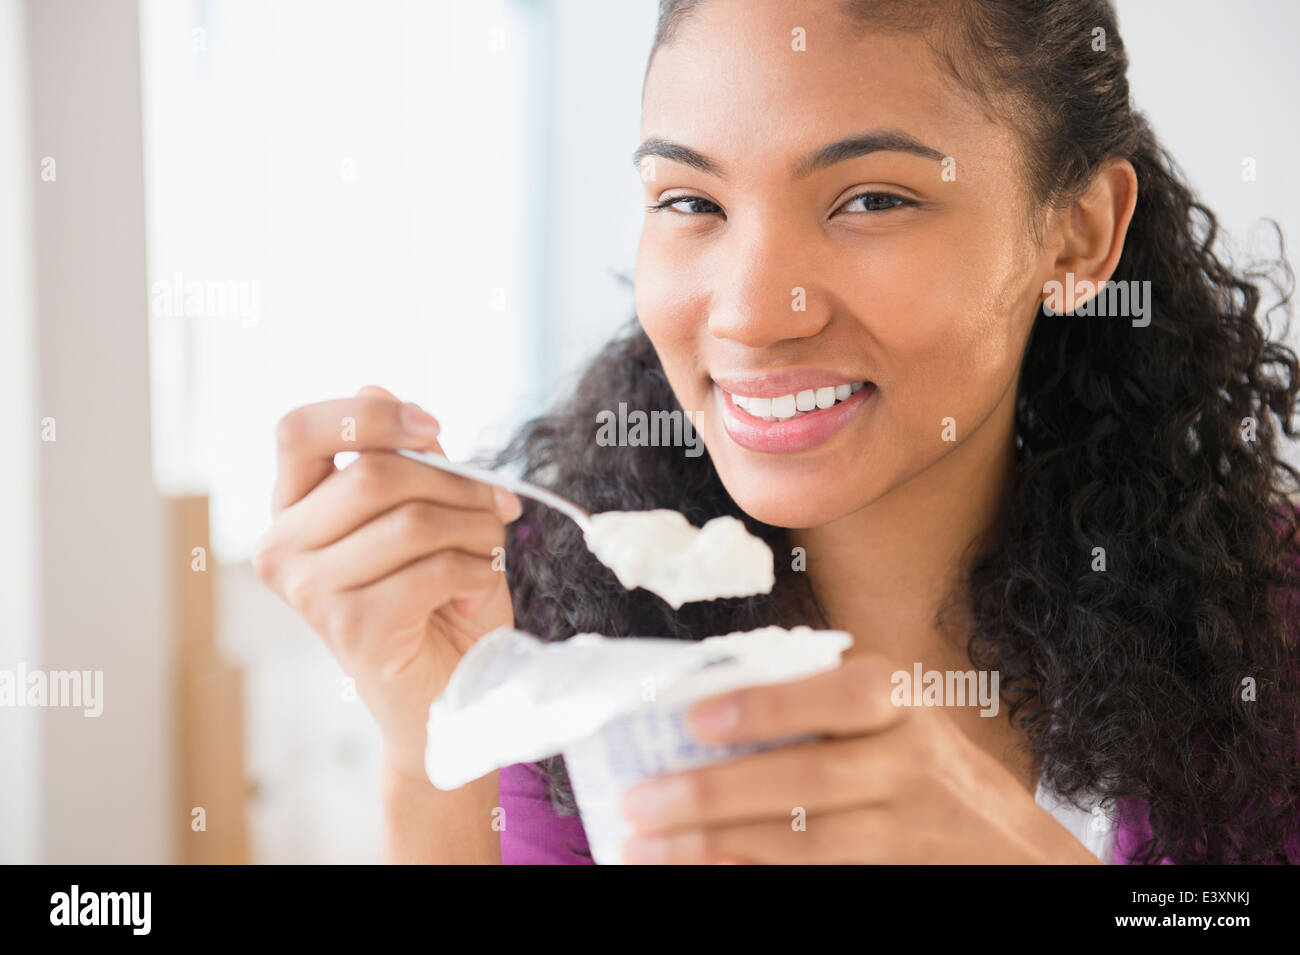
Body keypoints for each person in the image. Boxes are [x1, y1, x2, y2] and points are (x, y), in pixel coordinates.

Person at [253, 0, 1300, 864]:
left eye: (871, 199)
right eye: (690, 202)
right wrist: (430, 734)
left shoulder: (1269, 629)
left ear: (1076, 234)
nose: (750, 312)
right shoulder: (538, 628)